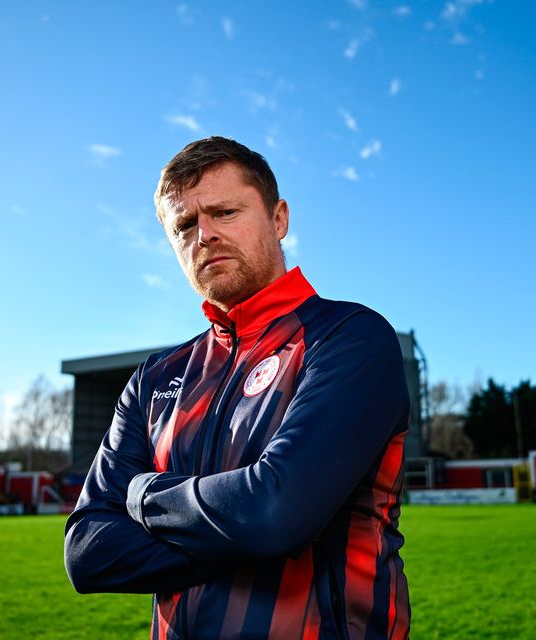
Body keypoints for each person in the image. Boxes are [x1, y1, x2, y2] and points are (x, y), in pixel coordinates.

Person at [64, 136, 411, 639]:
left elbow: (273, 513)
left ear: (279, 219)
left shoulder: (349, 337)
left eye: (225, 212)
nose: (203, 234)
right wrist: (246, 534)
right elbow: (88, 553)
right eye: (184, 224)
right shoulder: (155, 377)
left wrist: (141, 494)